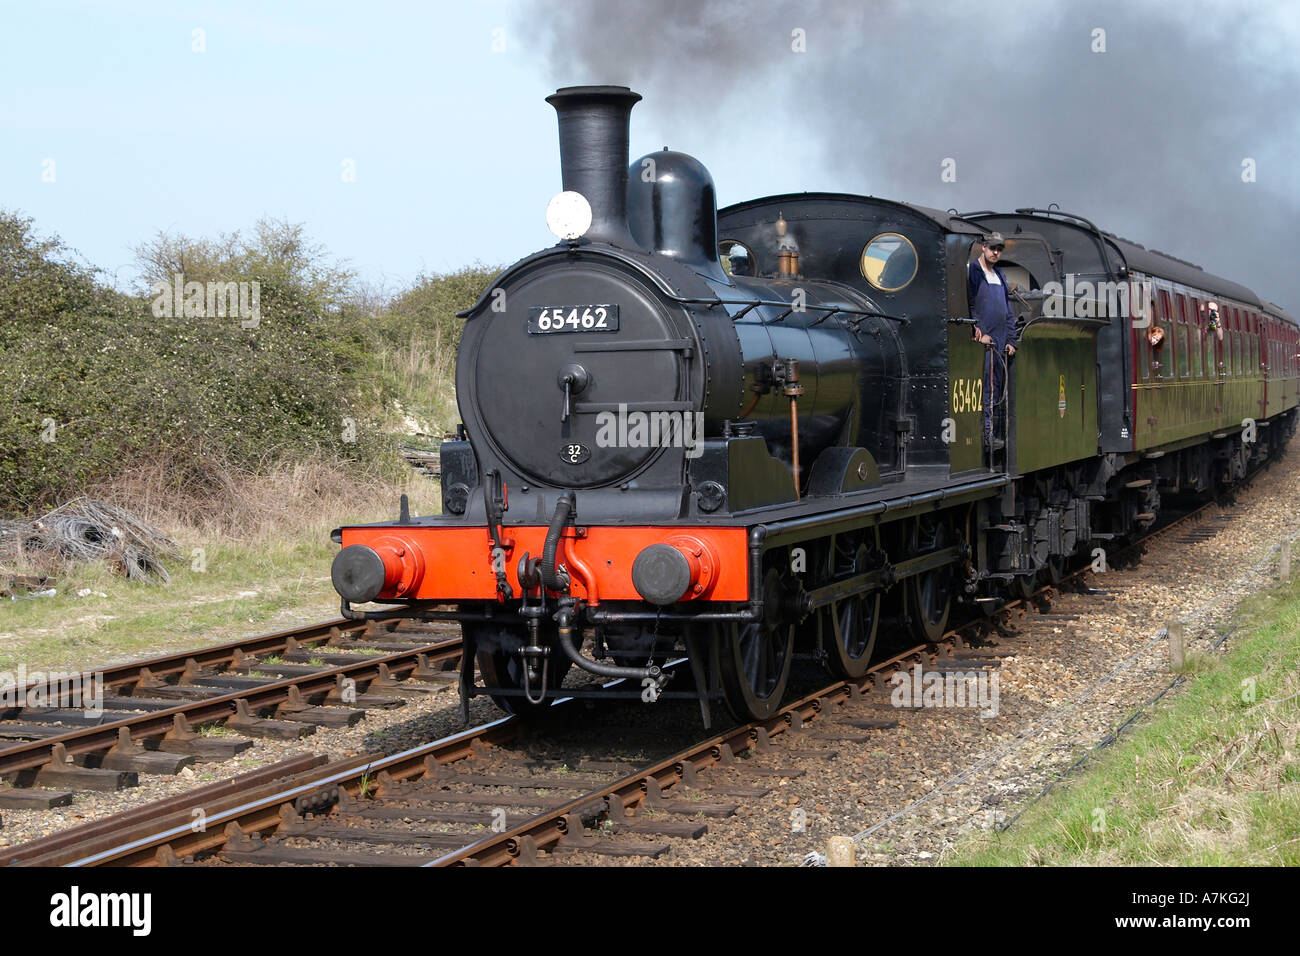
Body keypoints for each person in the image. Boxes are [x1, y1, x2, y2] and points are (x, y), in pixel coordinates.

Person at [967, 232, 1019, 451]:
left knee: (998, 388)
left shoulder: (999, 275)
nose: (996, 253)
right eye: (993, 248)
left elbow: (1007, 311)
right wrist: (978, 329)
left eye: (999, 249)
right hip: (985, 338)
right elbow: (969, 302)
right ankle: (986, 436)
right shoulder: (973, 272)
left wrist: (1011, 339)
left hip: (1000, 339)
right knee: (987, 388)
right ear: (983, 248)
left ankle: (996, 433)